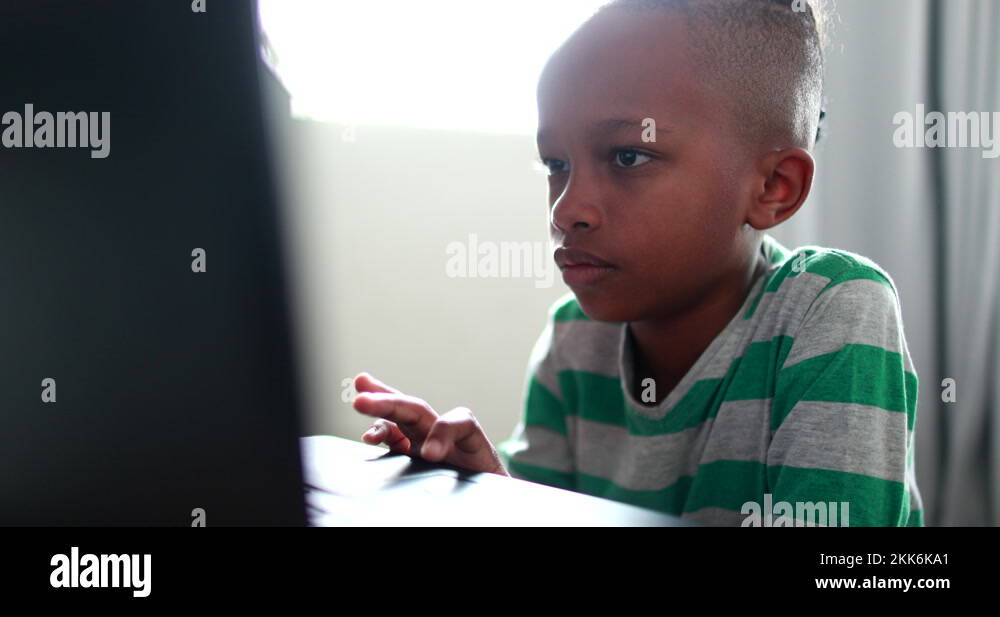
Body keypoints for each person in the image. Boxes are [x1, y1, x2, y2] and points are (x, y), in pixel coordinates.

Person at [352, 0, 923, 526]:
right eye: (555, 163)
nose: (566, 207)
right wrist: (492, 491)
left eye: (628, 156)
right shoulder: (573, 342)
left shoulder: (831, 310)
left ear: (773, 186)